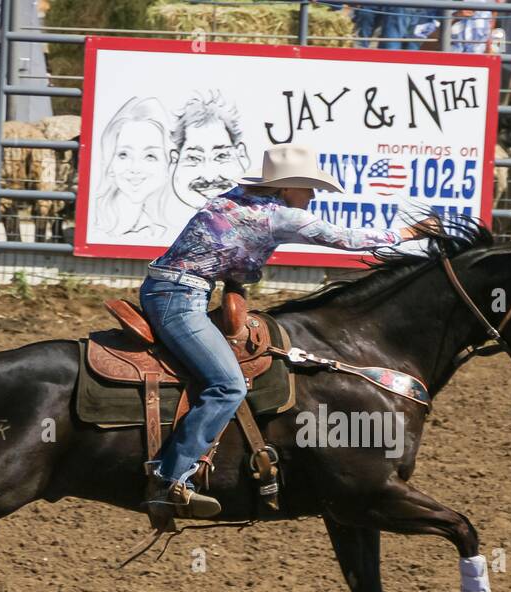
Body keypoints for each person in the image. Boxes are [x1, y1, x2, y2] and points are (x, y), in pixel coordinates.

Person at [138, 144, 429, 524]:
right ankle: (169, 477)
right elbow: (347, 240)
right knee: (228, 385)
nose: (312, 195)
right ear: (288, 187)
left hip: (171, 289)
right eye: (307, 187)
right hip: (179, 298)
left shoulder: (235, 200)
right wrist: (409, 232)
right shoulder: (281, 217)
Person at [93, 96, 175, 241]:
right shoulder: (96, 223)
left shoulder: (159, 230)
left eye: (150, 156)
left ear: (168, 163)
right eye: (123, 154)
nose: (135, 168)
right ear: (110, 162)